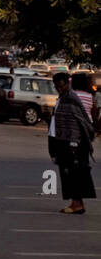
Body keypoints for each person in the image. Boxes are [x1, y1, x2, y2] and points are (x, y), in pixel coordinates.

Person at [50, 72, 94, 215]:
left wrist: (74, 142)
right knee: (70, 173)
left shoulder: (70, 98)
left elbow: (81, 120)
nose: (59, 89)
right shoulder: (64, 97)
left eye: (61, 86)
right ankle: (77, 203)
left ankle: (76, 204)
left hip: (73, 142)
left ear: (67, 84)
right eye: (57, 87)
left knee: (74, 172)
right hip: (65, 140)